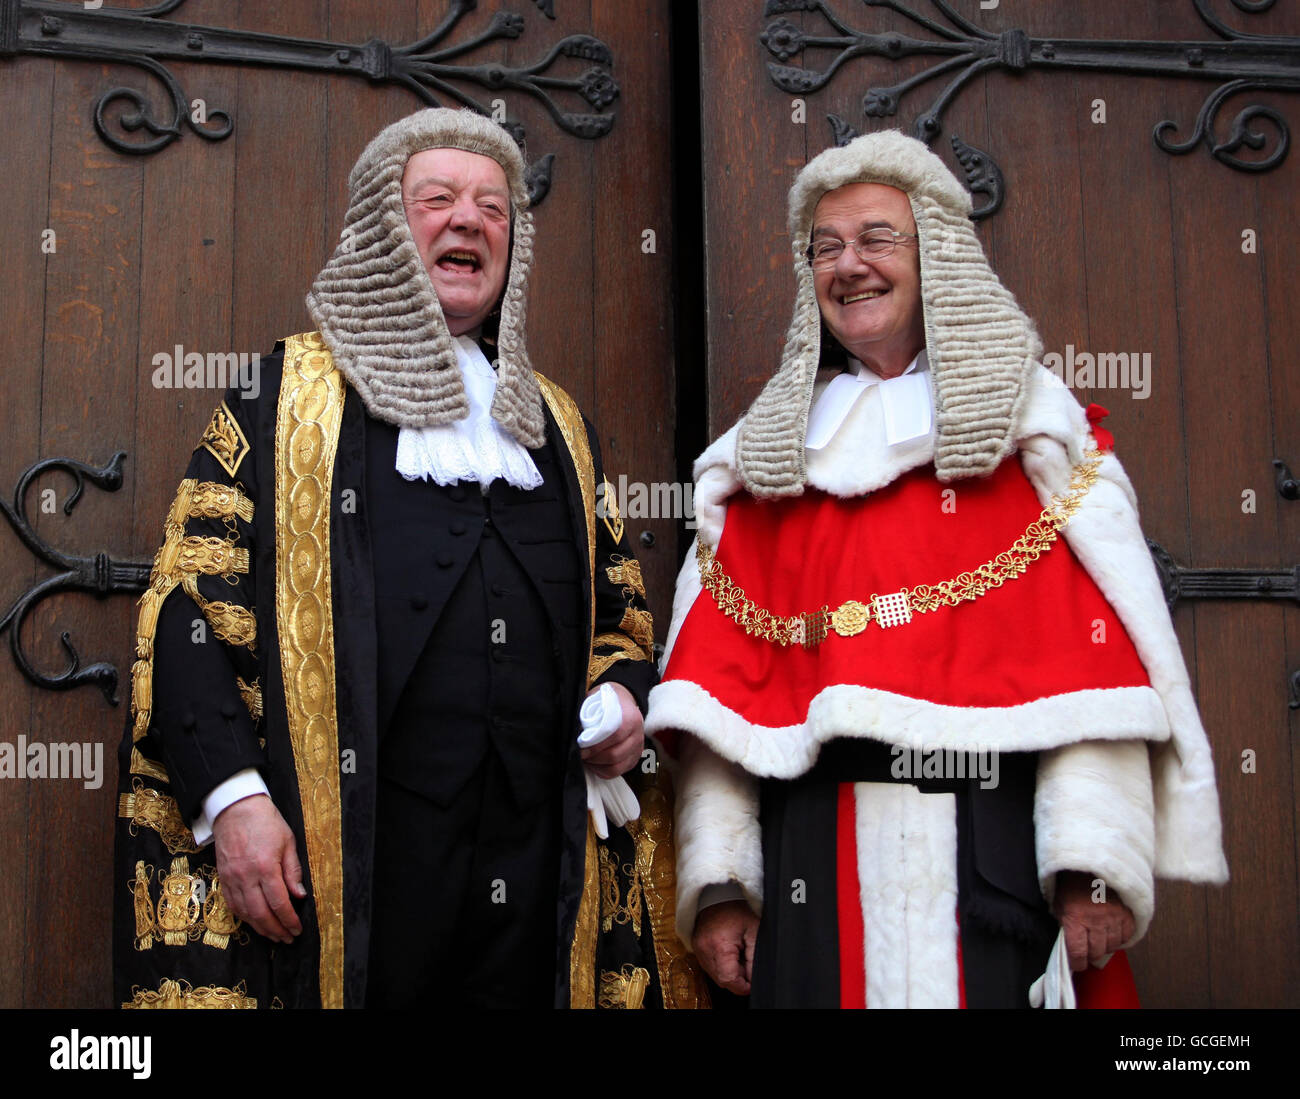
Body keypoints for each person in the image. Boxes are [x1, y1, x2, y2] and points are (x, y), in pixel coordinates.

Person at [113, 107, 707, 1010]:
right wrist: (233, 800)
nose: (468, 220)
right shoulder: (284, 399)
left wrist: (622, 698)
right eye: (436, 199)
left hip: (535, 871)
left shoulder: (561, 429)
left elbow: (620, 616)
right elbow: (189, 605)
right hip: (347, 868)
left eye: (493, 208)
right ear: (383, 229)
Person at [644, 130, 1228, 1008]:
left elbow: (1092, 683)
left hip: (995, 860)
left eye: (878, 237)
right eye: (827, 247)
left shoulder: (1037, 441)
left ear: (940, 257)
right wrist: (723, 884)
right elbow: (721, 710)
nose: (850, 266)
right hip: (812, 867)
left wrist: (1092, 868)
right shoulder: (762, 463)